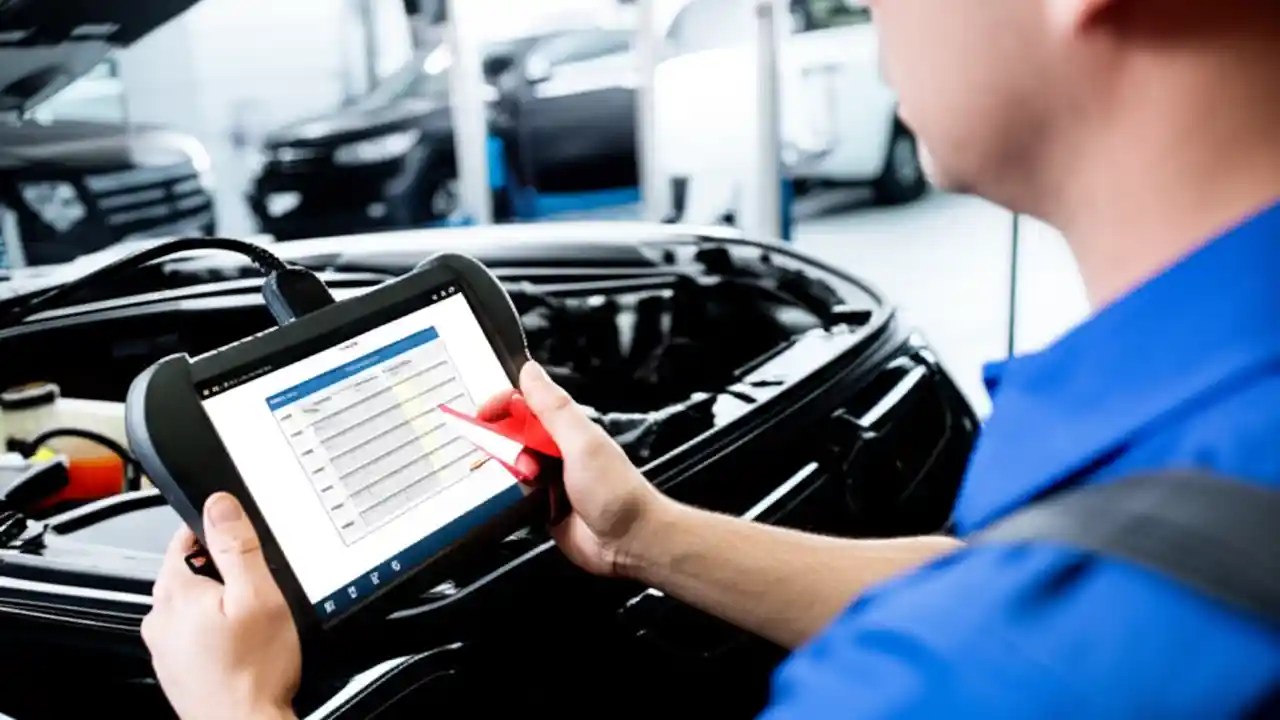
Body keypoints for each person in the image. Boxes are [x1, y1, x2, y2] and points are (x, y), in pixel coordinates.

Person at [142, 0, 1280, 716]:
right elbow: (1026, 587)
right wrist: (645, 536)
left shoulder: (963, 682)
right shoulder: (1201, 466)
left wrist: (237, 710)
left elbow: (1014, 632)